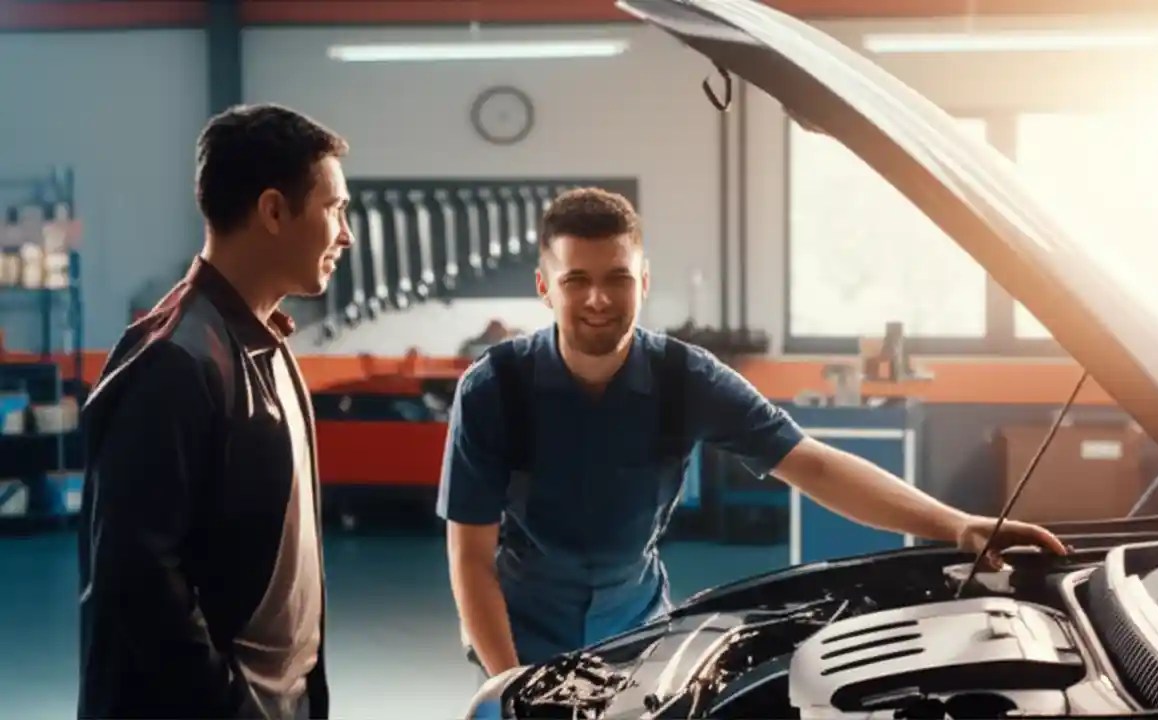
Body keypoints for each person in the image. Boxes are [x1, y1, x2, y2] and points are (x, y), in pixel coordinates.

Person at [438, 187, 1068, 680]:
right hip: (518, 632)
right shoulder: (495, 389)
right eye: (577, 280)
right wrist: (509, 679)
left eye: (618, 278)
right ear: (546, 287)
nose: (599, 298)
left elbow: (812, 464)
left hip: (635, 630)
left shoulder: (686, 378)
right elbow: (470, 557)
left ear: (644, 282)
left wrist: (955, 524)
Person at [77, 103, 351, 720]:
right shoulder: (175, 361)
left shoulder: (264, 340)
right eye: (335, 209)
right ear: (274, 211)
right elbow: (137, 575)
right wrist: (225, 704)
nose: (346, 233)